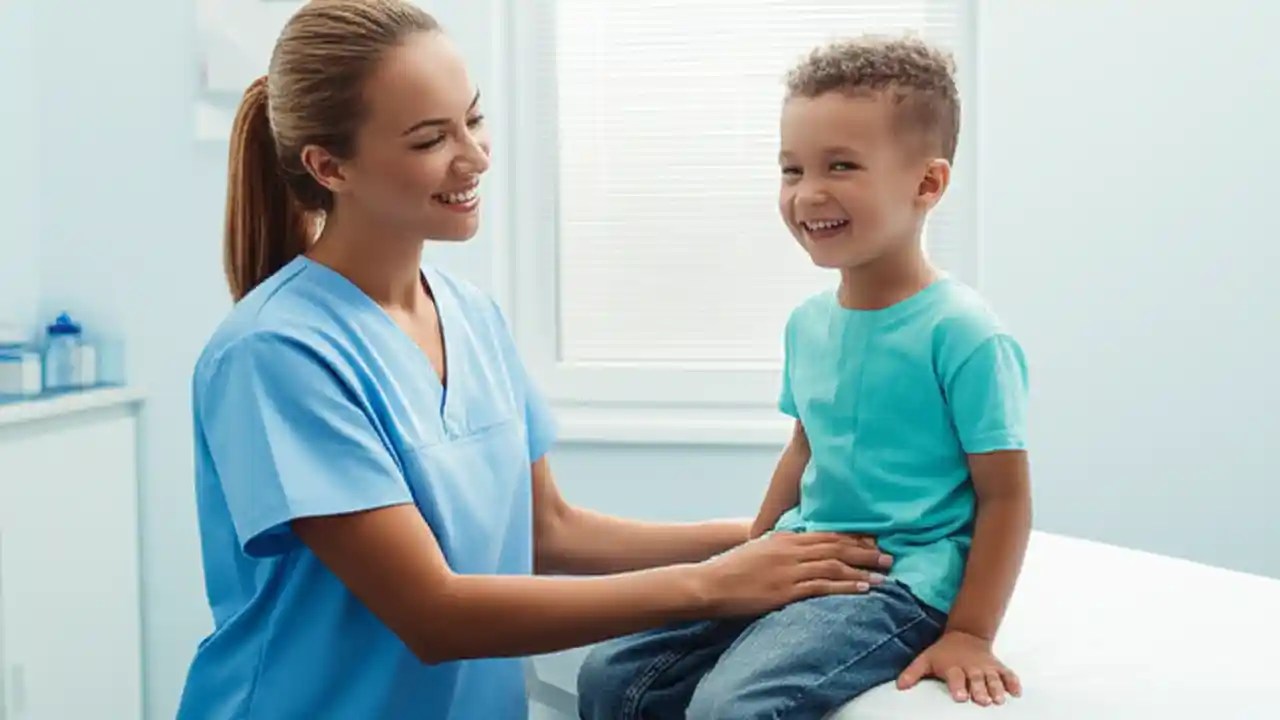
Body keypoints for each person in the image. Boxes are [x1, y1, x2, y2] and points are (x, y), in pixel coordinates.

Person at [175, 2, 892, 718]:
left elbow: (548, 530)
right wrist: (716, 583)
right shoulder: (276, 354)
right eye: (431, 139)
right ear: (329, 166)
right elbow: (435, 612)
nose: (476, 156)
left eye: (474, 120)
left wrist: (778, 535)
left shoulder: (471, 317)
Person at [578, 35, 1033, 719]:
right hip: (804, 555)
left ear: (927, 183)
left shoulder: (963, 332)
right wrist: (755, 551)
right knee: (611, 673)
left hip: (894, 582)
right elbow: (805, 447)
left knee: (731, 706)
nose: (808, 193)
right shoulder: (808, 323)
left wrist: (970, 631)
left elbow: (1005, 498)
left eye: (841, 166)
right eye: (792, 170)